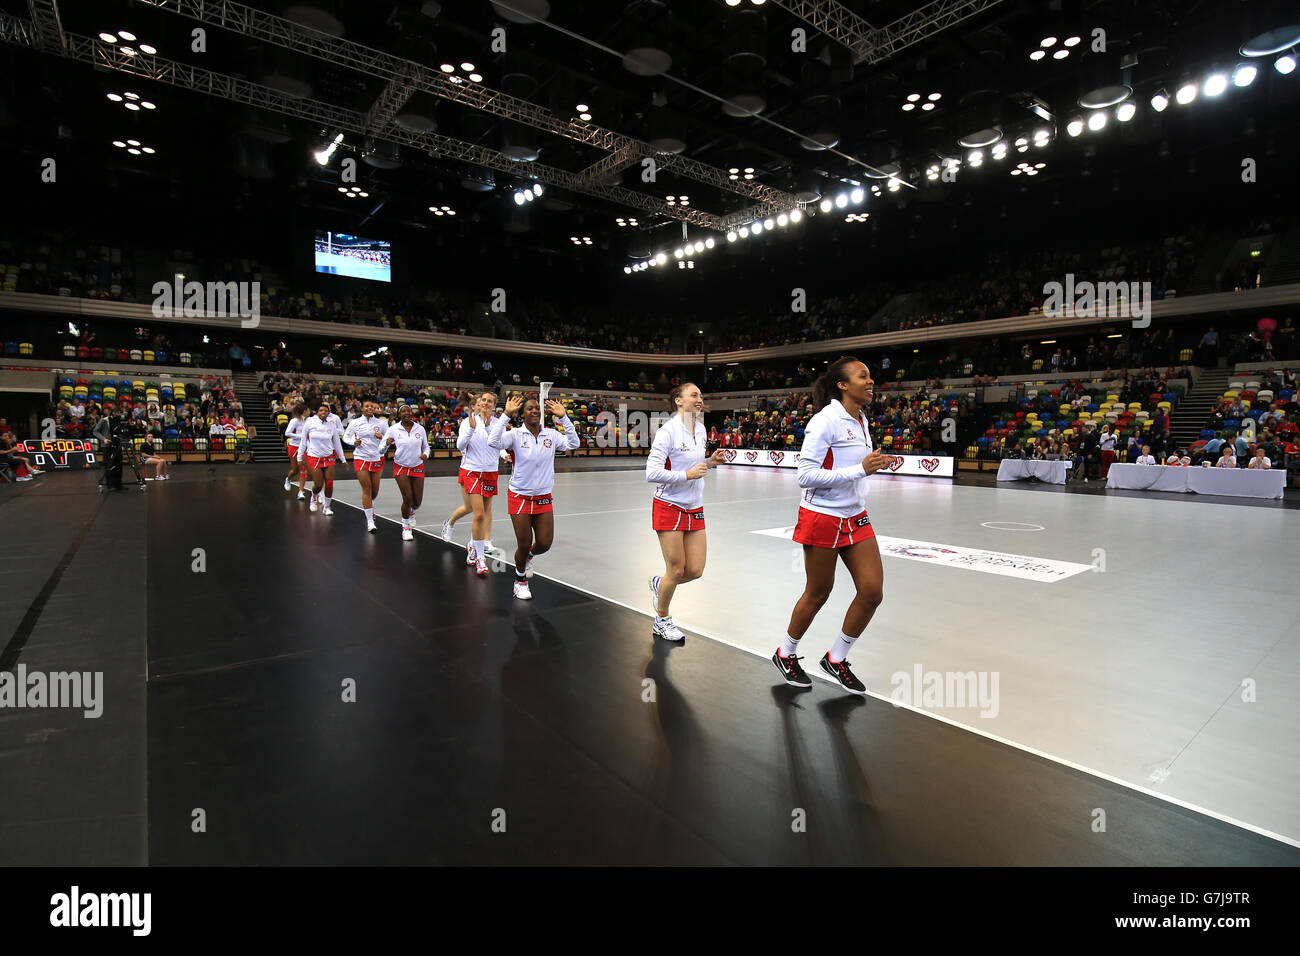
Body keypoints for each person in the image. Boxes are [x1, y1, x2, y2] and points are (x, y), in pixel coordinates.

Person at [774, 357, 895, 695]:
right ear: (843, 385)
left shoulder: (861, 420)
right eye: (863, 376)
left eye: (870, 376)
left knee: (872, 592)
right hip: (821, 516)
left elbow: (853, 467)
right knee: (819, 592)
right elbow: (806, 476)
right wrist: (860, 469)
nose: (871, 381)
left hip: (855, 516)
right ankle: (786, 653)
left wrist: (869, 468)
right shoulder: (824, 421)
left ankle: (836, 658)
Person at [645, 382, 728, 641]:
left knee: (695, 570)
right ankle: (662, 619)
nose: (699, 399)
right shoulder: (667, 432)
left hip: (695, 507)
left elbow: (695, 465)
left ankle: (660, 585)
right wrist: (687, 474)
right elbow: (652, 473)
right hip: (669, 506)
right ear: (678, 401)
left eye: (701, 395)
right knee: (677, 570)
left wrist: (710, 462)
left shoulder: (701, 429)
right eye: (694, 395)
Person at [488, 395, 580, 594]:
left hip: (543, 496)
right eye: (529, 409)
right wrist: (505, 415)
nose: (535, 411)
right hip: (520, 496)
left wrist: (564, 418)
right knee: (524, 543)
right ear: (521, 414)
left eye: (537, 408)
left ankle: (528, 556)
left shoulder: (551, 435)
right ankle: (520, 582)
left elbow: (574, 444)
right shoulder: (514, 436)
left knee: (545, 543)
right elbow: (493, 442)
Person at [455, 391, 503, 569]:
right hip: (472, 471)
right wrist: (470, 429)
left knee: (485, 512)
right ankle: (481, 559)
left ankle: (474, 544)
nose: (486, 403)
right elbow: (460, 446)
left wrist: (505, 455)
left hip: (490, 471)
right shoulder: (468, 422)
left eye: (490, 401)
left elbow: (499, 445)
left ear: (494, 405)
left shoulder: (498, 424)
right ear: (478, 403)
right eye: (484, 400)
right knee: (479, 513)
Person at [382, 404, 430, 540]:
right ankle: (406, 528)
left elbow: (426, 447)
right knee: (407, 497)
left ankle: (412, 512)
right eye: (403, 411)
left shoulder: (420, 429)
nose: (407, 413)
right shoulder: (393, 429)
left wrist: (426, 454)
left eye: (409, 410)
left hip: (418, 465)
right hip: (401, 466)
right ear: (399, 415)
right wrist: (386, 444)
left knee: (417, 502)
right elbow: (380, 449)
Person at [345, 400, 389, 533]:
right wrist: (353, 442)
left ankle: (370, 505)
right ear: (362, 408)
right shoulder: (355, 422)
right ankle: (370, 521)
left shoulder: (382, 423)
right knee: (367, 488)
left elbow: (389, 439)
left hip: (377, 458)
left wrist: (382, 437)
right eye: (367, 406)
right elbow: (346, 437)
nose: (369, 408)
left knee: (374, 491)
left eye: (372, 406)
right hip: (361, 458)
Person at [297, 402, 345, 517]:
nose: (324, 412)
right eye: (321, 410)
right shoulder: (309, 424)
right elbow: (303, 442)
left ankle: (327, 507)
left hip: (328, 457)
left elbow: (337, 444)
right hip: (314, 456)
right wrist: (299, 457)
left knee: (329, 483)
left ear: (329, 413)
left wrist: (343, 459)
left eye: (326, 411)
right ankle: (313, 497)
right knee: (318, 484)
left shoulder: (331, 425)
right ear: (317, 412)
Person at [283, 404, 308, 499]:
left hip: (304, 447)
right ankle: (288, 479)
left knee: (303, 469)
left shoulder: (308, 421)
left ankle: (301, 492)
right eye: (308, 410)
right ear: (304, 411)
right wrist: (301, 436)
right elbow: (287, 433)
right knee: (295, 470)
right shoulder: (295, 421)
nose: (309, 412)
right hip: (294, 447)